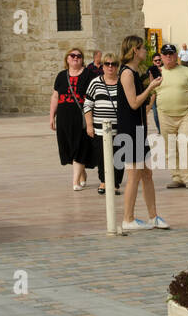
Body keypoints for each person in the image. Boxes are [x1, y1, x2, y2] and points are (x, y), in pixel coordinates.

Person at [117, 34, 168, 229]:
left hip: (139, 129)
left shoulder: (135, 72)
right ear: (135, 50)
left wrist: (150, 88)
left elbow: (142, 105)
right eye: (142, 48)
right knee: (134, 175)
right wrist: (150, 88)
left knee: (147, 174)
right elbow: (133, 102)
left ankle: (153, 216)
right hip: (129, 131)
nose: (146, 51)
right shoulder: (127, 73)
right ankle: (127, 219)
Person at [155, 43, 188, 189]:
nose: (168, 56)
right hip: (165, 114)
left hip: (186, 114)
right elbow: (151, 93)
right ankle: (176, 177)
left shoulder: (186, 71)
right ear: (161, 57)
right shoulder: (157, 73)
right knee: (170, 146)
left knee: (185, 142)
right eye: (165, 54)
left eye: (171, 54)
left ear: (176, 55)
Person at [50, 47, 96, 190]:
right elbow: (55, 96)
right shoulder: (61, 76)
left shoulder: (89, 75)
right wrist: (52, 116)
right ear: (67, 59)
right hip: (64, 117)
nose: (76, 58)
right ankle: (82, 174)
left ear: (82, 59)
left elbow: (93, 96)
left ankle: (75, 181)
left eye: (79, 56)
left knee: (80, 146)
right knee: (69, 147)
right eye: (72, 55)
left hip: (82, 117)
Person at [84, 53, 123, 195]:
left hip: (119, 128)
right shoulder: (95, 82)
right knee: (101, 156)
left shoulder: (122, 82)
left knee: (118, 156)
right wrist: (89, 125)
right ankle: (104, 181)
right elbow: (88, 105)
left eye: (114, 64)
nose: (110, 67)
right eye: (107, 64)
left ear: (118, 66)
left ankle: (116, 183)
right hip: (100, 128)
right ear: (103, 66)